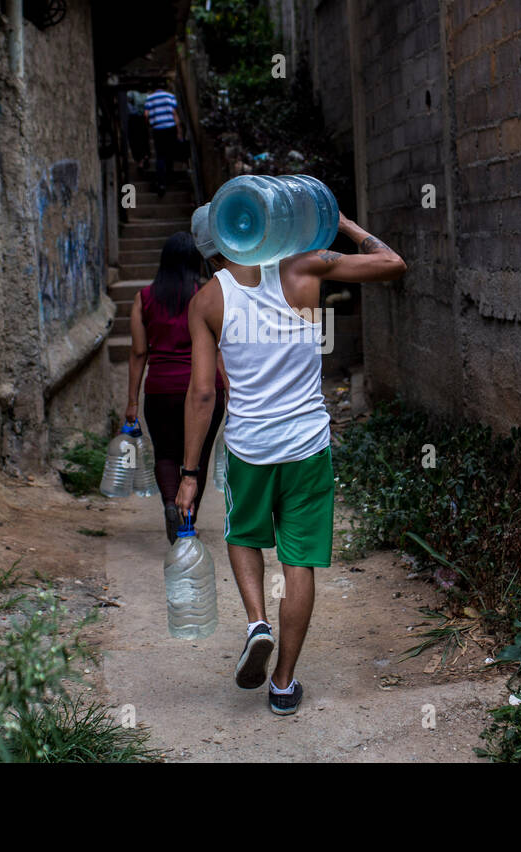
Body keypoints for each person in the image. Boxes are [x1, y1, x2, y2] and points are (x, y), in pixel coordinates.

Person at [176, 205, 407, 716]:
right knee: (298, 560)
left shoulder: (208, 300)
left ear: (208, 251)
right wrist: (341, 222)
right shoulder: (303, 267)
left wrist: (190, 473)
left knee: (243, 536)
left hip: (249, 448)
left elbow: (202, 394)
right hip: (306, 445)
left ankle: (257, 620)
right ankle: (283, 683)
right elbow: (393, 264)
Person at [126, 231, 226, 542]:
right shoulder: (208, 296)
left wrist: (131, 401)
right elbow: (222, 348)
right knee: (197, 457)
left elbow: (139, 351)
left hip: (160, 390)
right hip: (203, 387)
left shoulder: (143, 298)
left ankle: (171, 503)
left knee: (165, 454)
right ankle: (188, 519)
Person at [144, 80, 182, 197]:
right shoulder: (170, 96)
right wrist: (179, 130)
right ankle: (170, 176)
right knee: (169, 153)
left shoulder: (150, 98)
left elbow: (146, 114)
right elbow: (174, 113)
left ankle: (161, 183)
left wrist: (149, 124)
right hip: (170, 128)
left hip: (158, 129)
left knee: (160, 156)